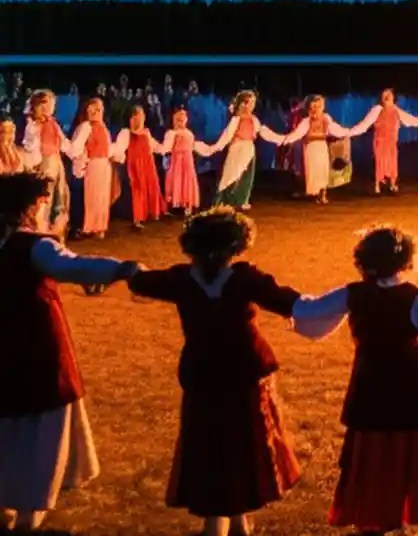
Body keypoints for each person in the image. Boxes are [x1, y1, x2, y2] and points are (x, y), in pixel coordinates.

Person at [126, 208, 303, 536]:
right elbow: (289, 302)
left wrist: (129, 269)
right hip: (242, 376)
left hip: (204, 375)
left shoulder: (181, 279)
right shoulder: (244, 278)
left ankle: (236, 524)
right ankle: (220, 526)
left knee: (212, 445)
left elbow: (140, 281)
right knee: (238, 447)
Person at [291, 226, 418, 535]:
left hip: (373, 382)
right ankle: (391, 515)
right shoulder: (417, 299)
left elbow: (311, 315)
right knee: (404, 455)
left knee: (374, 457)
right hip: (409, 386)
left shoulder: (354, 294)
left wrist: (282, 301)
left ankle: (376, 516)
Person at [0, 173, 136, 533]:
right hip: (37, 348)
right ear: (27, 209)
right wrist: (124, 269)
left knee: (9, 427)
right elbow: (72, 266)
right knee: (43, 427)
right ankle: (28, 515)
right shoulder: (34, 246)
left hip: (7, 349)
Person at [206, 91, 288, 210]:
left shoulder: (254, 119)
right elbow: (227, 135)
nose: (252, 105)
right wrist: (216, 147)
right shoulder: (236, 119)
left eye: (253, 103)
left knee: (246, 175)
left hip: (249, 148)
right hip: (237, 147)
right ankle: (224, 200)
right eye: (250, 102)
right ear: (243, 104)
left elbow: (263, 132)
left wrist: (281, 139)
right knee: (232, 174)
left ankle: (241, 200)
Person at [279, 95, 359, 205]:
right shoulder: (306, 121)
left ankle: (323, 194)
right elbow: (297, 134)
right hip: (311, 148)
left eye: (319, 106)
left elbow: (336, 129)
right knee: (313, 171)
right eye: (313, 106)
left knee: (323, 170)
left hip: (321, 147)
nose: (316, 109)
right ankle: (316, 194)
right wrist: (285, 140)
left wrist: (348, 132)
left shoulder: (326, 119)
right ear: (309, 108)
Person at [66, 97, 119, 239]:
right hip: (91, 165)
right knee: (91, 197)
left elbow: (108, 148)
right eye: (92, 109)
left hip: (103, 166)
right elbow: (76, 148)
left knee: (101, 198)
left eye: (99, 109)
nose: (96, 112)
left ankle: (99, 226)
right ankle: (86, 226)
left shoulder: (104, 128)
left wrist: (115, 154)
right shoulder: (85, 127)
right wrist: (82, 162)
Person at [20, 91, 72, 234]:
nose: (46, 108)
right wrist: (36, 127)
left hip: (56, 161)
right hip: (42, 162)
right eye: (42, 104)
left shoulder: (53, 123)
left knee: (60, 194)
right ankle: (41, 229)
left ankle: (57, 229)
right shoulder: (31, 124)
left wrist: (74, 152)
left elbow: (63, 143)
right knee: (44, 197)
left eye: (49, 105)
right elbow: (29, 145)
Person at [353, 89, 417, 195]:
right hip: (380, 141)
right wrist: (351, 132)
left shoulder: (396, 111)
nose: (387, 96)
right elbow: (365, 124)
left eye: (389, 94)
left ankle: (392, 184)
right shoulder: (377, 110)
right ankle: (377, 185)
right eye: (384, 94)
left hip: (391, 142)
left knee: (392, 162)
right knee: (380, 162)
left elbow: (411, 120)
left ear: (393, 97)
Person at [113, 105, 166, 230]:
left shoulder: (146, 133)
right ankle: (137, 219)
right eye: (134, 115)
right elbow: (119, 148)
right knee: (137, 191)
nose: (137, 118)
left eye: (140, 115)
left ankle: (154, 212)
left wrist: (169, 147)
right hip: (134, 167)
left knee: (152, 187)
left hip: (148, 166)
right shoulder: (126, 133)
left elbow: (157, 147)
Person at [156, 105, 212, 216]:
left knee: (187, 181)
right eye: (178, 119)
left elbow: (194, 146)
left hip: (187, 161)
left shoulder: (189, 133)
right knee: (176, 181)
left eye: (183, 118)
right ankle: (175, 204)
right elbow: (166, 148)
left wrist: (210, 149)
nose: (181, 121)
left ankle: (188, 204)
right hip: (177, 161)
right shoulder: (172, 133)